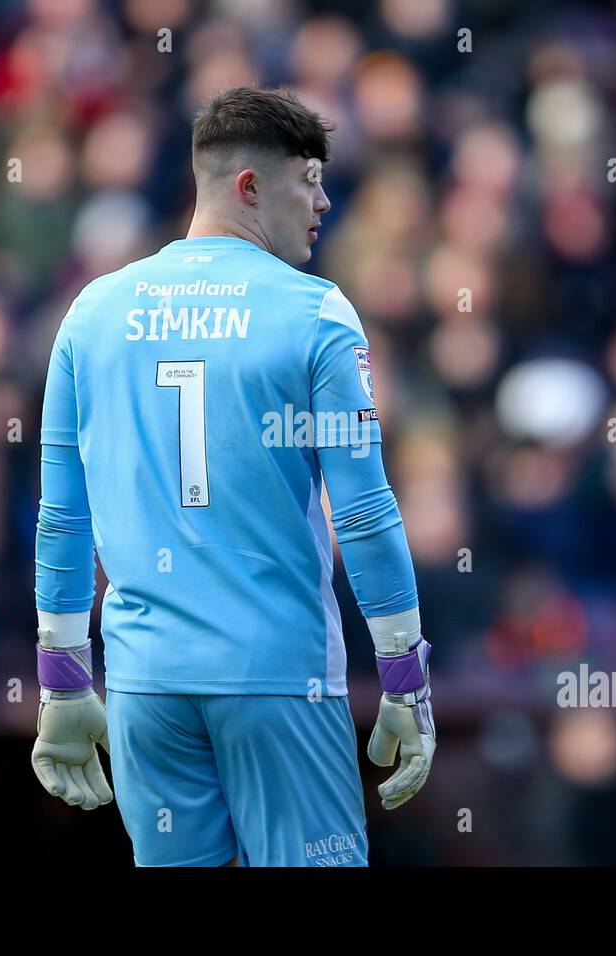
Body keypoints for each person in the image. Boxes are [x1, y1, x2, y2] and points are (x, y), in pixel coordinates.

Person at [30, 86, 434, 867]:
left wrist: (63, 684)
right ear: (250, 186)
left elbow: (62, 519)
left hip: (147, 687)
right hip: (276, 677)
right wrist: (405, 677)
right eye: (308, 180)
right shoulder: (315, 313)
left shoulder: (92, 313)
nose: (323, 201)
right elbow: (365, 513)